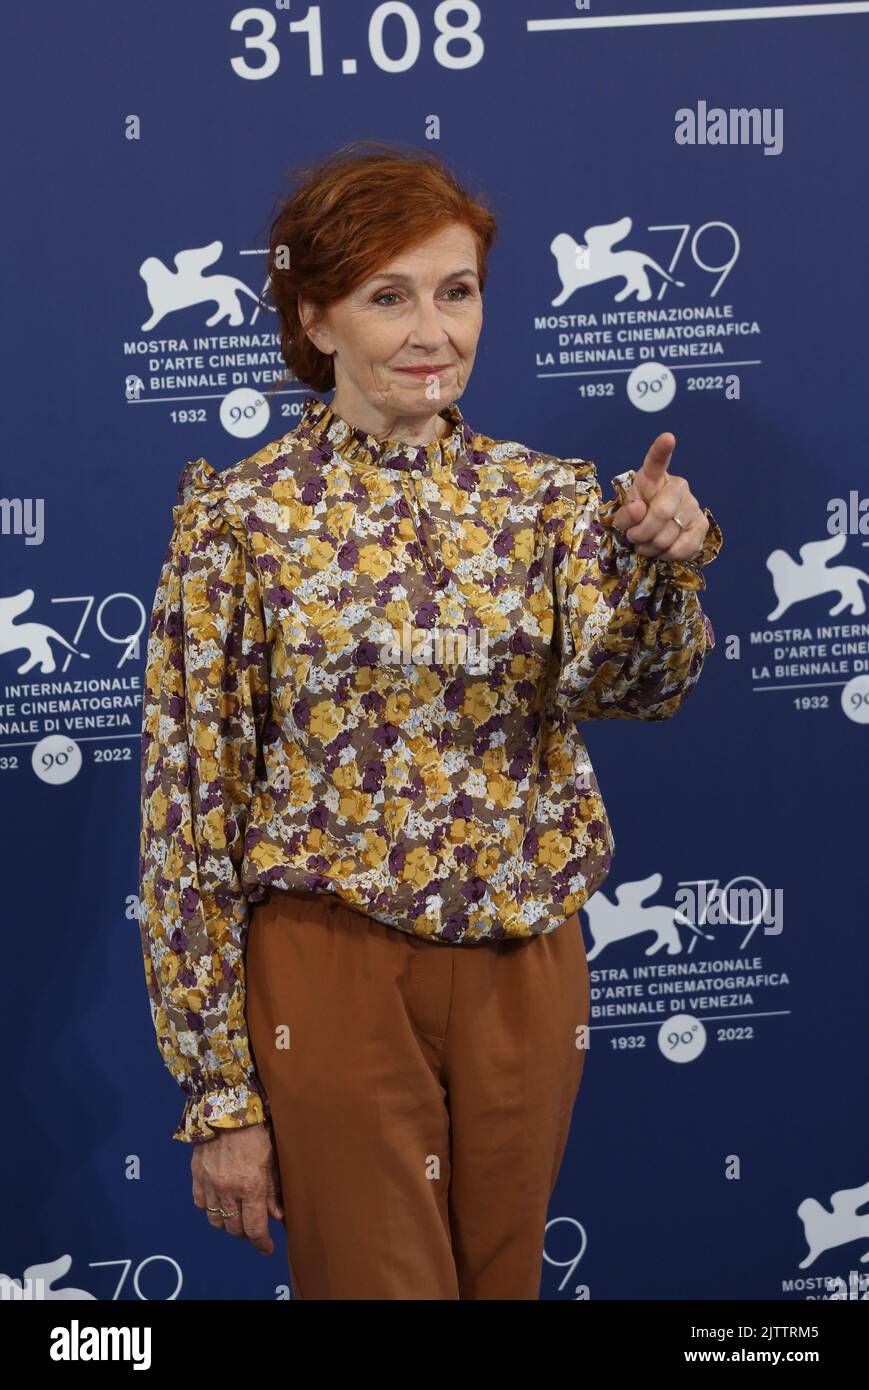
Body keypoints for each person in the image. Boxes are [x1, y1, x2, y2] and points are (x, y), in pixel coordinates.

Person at [138, 142, 723, 1299]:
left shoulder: (548, 497)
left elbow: (637, 687)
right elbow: (188, 809)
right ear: (314, 319)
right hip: (332, 971)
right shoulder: (240, 521)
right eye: (387, 296)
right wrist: (217, 1088)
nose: (431, 332)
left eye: (455, 293)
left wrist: (667, 568)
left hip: (526, 961)